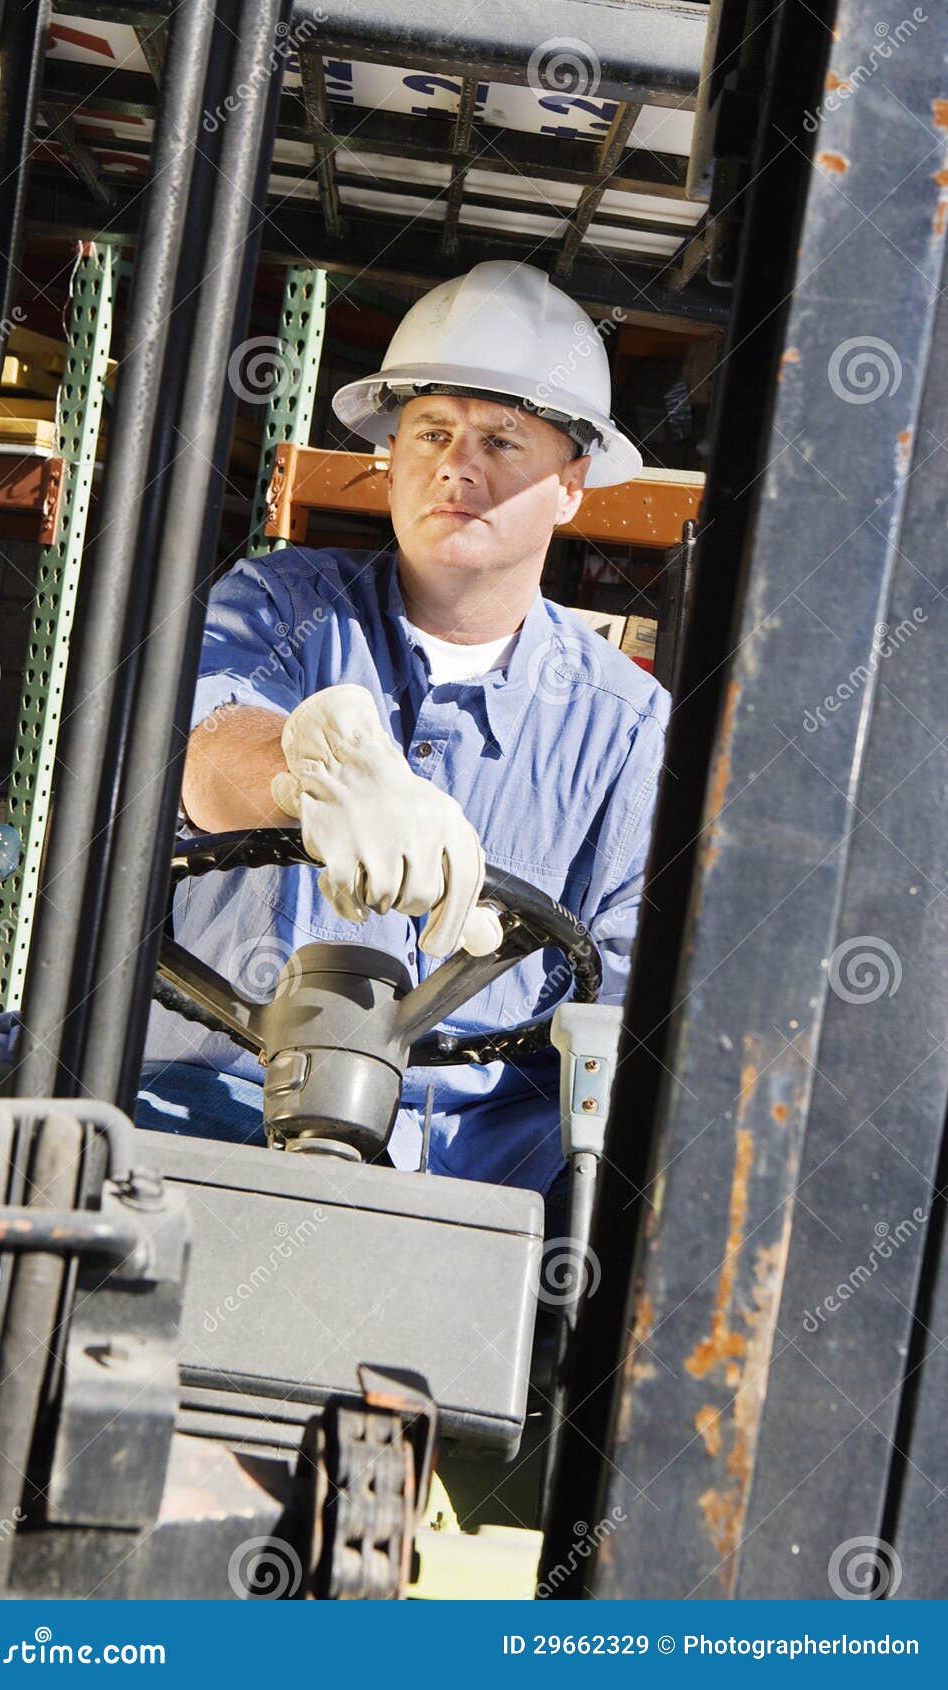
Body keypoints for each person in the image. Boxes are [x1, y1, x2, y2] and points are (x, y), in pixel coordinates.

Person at [138, 259, 670, 1200]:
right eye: (431, 431)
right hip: (198, 1114)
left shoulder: (626, 737)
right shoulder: (280, 603)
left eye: (503, 440)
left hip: (466, 1175)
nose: (456, 463)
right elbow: (198, 744)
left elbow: (633, 1018)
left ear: (572, 485)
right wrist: (303, 772)